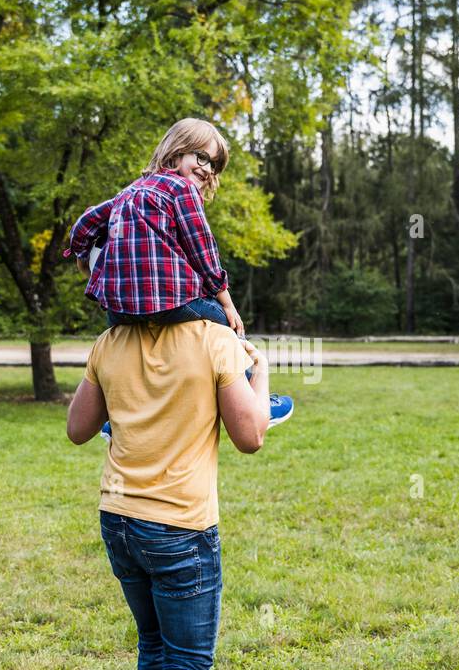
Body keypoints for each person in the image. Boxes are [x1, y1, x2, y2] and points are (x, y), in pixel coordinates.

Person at [65, 317, 271, 670]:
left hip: (118, 520)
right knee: (189, 665)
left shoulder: (110, 342)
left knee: (154, 645)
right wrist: (259, 372)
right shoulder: (216, 341)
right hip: (180, 527)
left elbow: (79, 429)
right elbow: (251, 436)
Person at [64, 117, 292, 437]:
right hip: (170, 301)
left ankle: (117, 417)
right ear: (176, 152)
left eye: (214, 164)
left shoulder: (128, 193)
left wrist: (81, 258)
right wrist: (227, 304)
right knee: (225, 329)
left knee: (130, 350)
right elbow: (203, 252)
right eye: (202, 157)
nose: (208, 168)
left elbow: (84, 222)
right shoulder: (180, 188)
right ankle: (258, 397)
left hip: (120, 312)